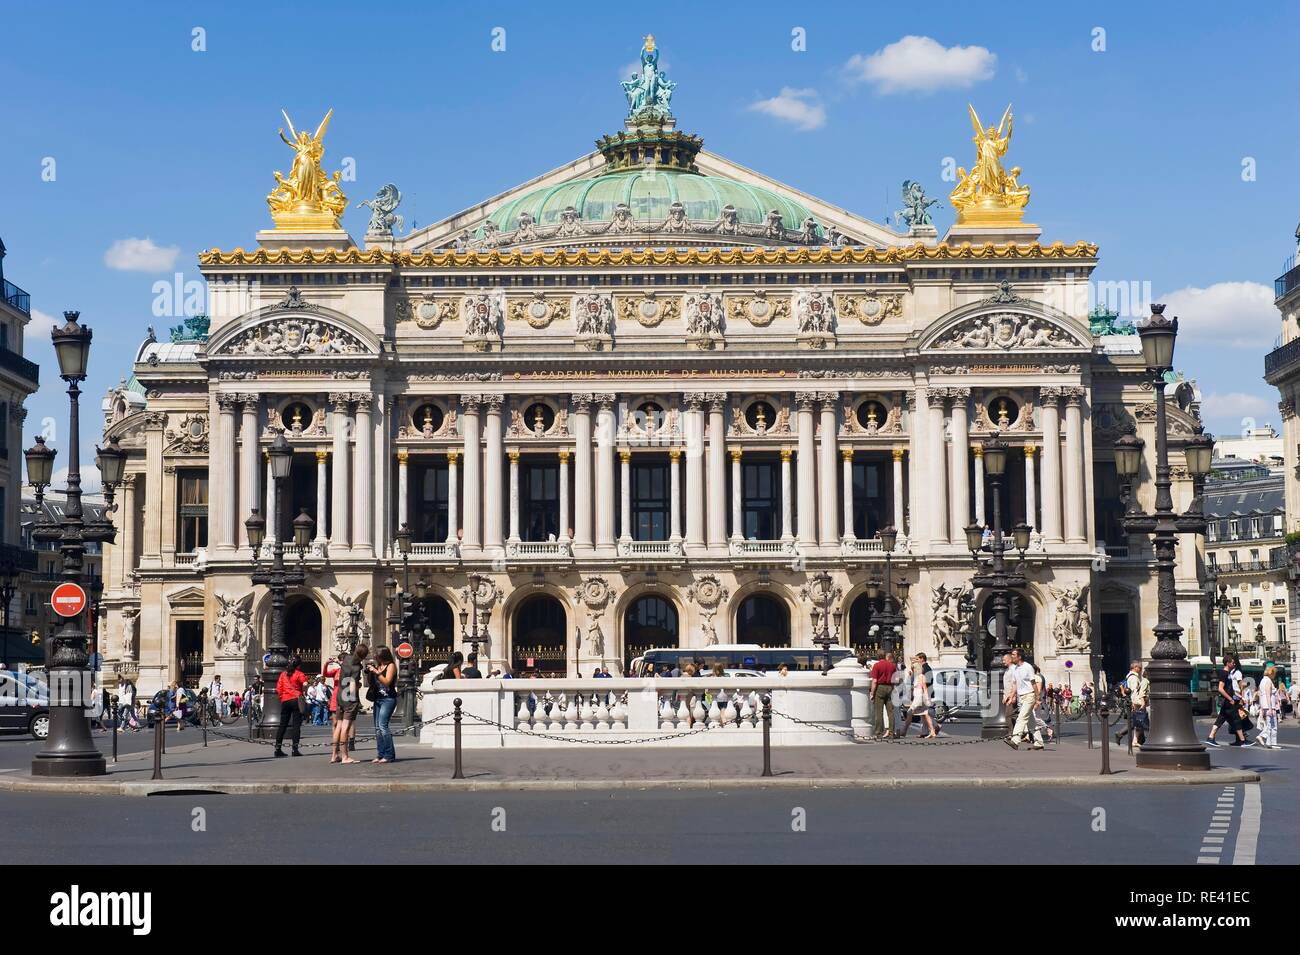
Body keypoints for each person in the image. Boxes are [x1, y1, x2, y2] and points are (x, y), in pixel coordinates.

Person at [331, 644, 367, 764]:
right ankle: (345, 756)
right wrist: (357, 688)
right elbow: (352, 687)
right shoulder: (356, 668)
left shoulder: (346, 659)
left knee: (338, 726)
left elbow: (340, 661)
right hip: (349, 699)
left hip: (340, 696)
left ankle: (334, 755)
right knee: (346, 728)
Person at [1205, 653, 1248, 747]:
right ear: (1228, 663)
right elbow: (1220, 688)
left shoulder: (1227, 673)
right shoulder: (1224, 673)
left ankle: (1211, 737)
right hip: (1228, 700)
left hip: (1228, 700)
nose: (1234, 664)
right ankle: (1243, 741)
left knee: (1220, 719)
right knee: (1236, 719)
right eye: (1232, 662)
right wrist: (1230, 698)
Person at [1004, 648, 1044, 750]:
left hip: (1029, 695)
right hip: (1021, 697)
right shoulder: (1016, 669)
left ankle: (1015, 741)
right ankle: (1039, 743)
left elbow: (1033, 682)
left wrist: (1037, 696)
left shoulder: (1028, 667)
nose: (1012, 656)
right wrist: (1011, 696)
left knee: (1021, 718)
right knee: (1031, 722)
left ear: (1019, 657)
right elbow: (1015, 684)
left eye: (1013, 655)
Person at [367, 647, 399, 764]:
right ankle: (381, 754)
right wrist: (370, 673)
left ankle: (389, 755)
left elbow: (387, 682)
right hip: (378, 699)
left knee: (383, 726)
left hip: (388, 699)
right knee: (377, 729)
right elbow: (373, 683)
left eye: (377, 655)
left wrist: (376, 672)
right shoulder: (379, 665)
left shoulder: (391, 666)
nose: (375, 657)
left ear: (383, 656)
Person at [273, 657, 308, 758]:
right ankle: (294, 749)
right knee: (296, 725)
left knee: (282, 725)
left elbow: (279, 689)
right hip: (296, 699)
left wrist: (282, 697)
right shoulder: (299, 674)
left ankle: (278, 749)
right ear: (298, 665)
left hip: (285, 700)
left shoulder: (283, 674)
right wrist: (304, 690)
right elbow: (305, 683)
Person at [1116, 661, 1149, 748]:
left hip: (1130, 701)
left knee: (1138, 720)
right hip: (1133, 702)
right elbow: (1134, 692)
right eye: (1140, 668)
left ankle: (1141, 740)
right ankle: (1120, 734)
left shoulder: (1129, 676)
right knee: (1135, 721)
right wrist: (1135, 703)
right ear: (1135, 668)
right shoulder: (1134, 678)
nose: (1141, 670)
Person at [868, 649, 897, 739]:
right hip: (890, 687)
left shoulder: (876, 665)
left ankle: (878, 732)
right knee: (890, 712)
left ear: (877, 656)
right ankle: (891, 732)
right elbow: (896, 679)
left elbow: (874, 681)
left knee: (879, 712)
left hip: (880, 688)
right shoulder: (892, 666)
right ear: (885, 656)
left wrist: (872, 693)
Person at [1257, 665, 1280, 749]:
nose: (1275, 676)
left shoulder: (1262, 680)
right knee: (1272, 725)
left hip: (1265, 705)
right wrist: (1270, 708)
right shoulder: (1268, 681)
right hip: (1270, 705)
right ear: (1272, 673)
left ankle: (1270, 743)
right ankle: (1263, 736)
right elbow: (1267, 695)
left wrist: (1262, 708)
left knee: (1270, 724)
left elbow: (1260, 695)